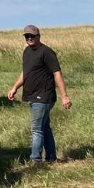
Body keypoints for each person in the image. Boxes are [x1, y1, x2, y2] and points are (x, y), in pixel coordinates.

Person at [6, 25, 72, 163]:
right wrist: (15, 87)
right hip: (31, 95)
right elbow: (26, 72)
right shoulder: (27, 51)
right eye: (27, 36)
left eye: (32, 36)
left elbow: (57, 73)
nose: (29, 38)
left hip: (44, 96)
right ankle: (51, 157)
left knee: (36, 129)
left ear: (38, 36)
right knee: (44, 127)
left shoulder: (47, 52)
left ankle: (35, 160)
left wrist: (64, 96)